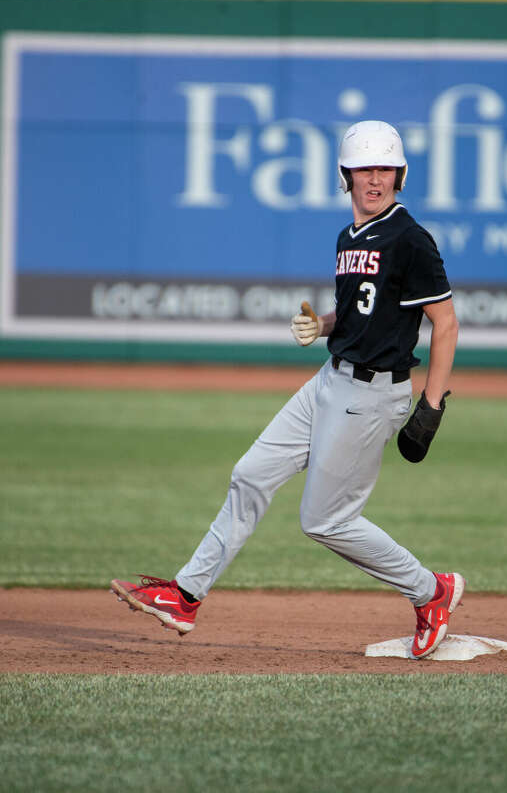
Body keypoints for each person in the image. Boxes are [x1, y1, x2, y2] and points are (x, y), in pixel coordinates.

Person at [111, 120, 463, 659]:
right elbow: (360, 311)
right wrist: (323, 325)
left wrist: (431, 406)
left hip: (371, 395)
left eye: (385, 169)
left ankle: (429, 591)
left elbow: (446, 323)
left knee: (325, 520)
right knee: (250, 474)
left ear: (401, 174)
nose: (375, 179)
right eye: (365, 168)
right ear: (345, 175)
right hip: (329, 379)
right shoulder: (349, 237)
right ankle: (184, 596)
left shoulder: (411, 240)